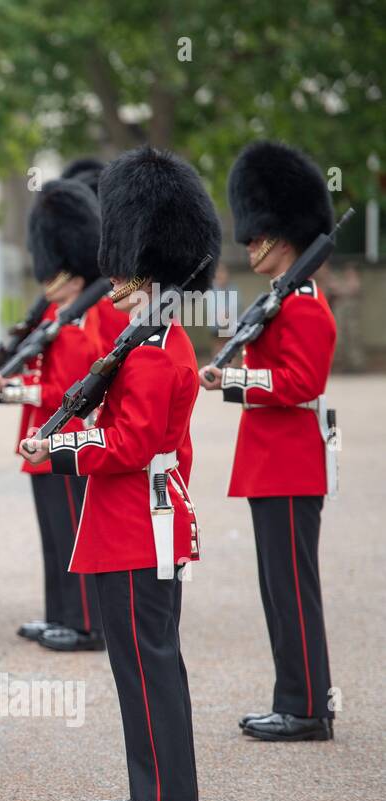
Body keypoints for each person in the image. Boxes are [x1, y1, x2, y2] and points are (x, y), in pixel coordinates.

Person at [20, 145, 219, 801]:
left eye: (131, 275)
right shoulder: (148, 341)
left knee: (146, 661)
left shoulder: (159, 351)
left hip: (140, 521)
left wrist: (63, 445)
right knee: (141, 661)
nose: (120, 286)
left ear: (156, 274)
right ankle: (159, 790)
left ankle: (163, 799)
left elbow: (131, 445)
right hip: (134, 520)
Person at [200, 140, 339, 742]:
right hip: (272, 464)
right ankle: (295, 696)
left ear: (283, 236)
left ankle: (306, 707)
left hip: (289, 464)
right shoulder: (279, 300)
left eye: (258, 237)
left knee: (291, 590)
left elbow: (301, 383)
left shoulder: (303, 306)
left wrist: (233, 380)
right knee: (278, 589)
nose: (249, 244)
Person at [0, 178, 107, 652]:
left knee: (71, 534)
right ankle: (60, 614)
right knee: (54, 539)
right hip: (41, 441)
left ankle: (86, 622)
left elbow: (60, 392)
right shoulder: (58, 321)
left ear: (73, 275)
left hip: (62, 441)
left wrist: (8, 392)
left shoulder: (74, 330)